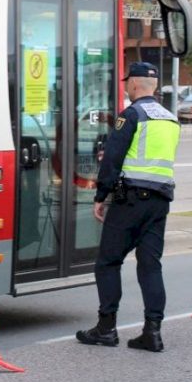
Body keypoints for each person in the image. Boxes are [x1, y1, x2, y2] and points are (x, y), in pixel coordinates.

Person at [76, 61, 181, 353]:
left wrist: (102, 196)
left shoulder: (131, 115)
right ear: (155, 87)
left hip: (130, 199)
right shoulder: (171, 120)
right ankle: (153, 332)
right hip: (160, 201)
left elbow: (113, 161)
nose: (125, 86)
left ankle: (106, 328)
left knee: (108, 261)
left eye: (126, 82)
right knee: (150, 265)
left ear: (134, 84)